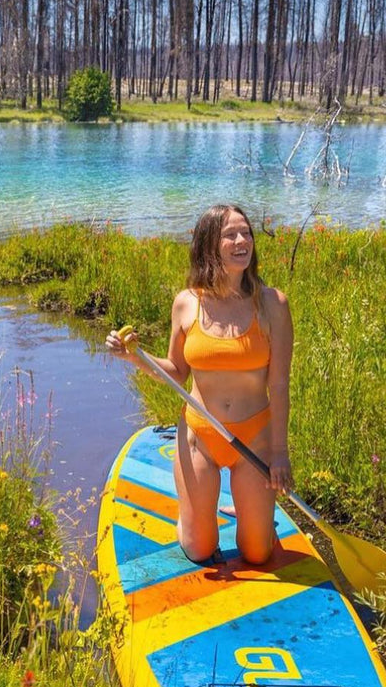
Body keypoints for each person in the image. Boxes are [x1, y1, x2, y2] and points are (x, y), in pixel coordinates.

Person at [106, 204, 292, 564]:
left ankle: (254, 515)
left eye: (247, 233)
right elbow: (176, 371)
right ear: (209, 245)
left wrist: (281, 452)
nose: (243, 241)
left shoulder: (272, 304)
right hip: (199, 435)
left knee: (258, 553)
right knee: (199, 550)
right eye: (230, 235)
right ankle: (193, 518)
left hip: (255, 438)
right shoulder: (186, 303)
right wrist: (134, 356)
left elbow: (280, 385)